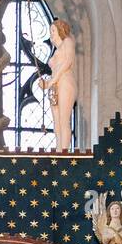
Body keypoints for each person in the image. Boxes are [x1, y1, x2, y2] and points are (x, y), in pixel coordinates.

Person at [41, 19, 77, 152]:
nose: (51, 33)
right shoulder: (56, 51)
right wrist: (46, 82)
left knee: (63, 119)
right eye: (50, 31)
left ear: (61, 31)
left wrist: (52, 80)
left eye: (53, 30)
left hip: (65, 82)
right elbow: (54, 71)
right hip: (54, 85)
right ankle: (58, 150)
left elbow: (67, 62)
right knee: (56, 122)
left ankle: (64, 152)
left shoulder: (67, 42)